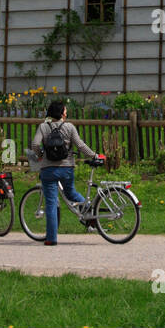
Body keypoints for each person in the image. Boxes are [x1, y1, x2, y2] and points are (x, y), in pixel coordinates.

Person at [29, 100, 98, 246]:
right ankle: (89, 213)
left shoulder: (43, 127)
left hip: (48, 169)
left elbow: (35, 144)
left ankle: (51, 239)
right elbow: (80, 145)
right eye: (65, 111)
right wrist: (94, 155)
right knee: (71, 193)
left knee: (51, 203)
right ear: (61, 113)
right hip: (67, 168)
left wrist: (41, 154)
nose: (66, 113)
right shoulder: (69, 127)